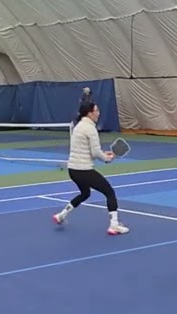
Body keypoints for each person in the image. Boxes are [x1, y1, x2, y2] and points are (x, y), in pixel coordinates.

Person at [52, 101, 127, 235]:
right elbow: (95, 153)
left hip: (73, 170)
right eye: (96, 110)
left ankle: (61, 215)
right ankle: (114, 225)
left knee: (85, 193)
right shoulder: (90, 128)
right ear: (89, 113)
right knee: (109, 192)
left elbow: (88, 150)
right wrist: (107, 158)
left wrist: (103, 153)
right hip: (84, 170)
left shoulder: (79, 126)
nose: (98, 113)